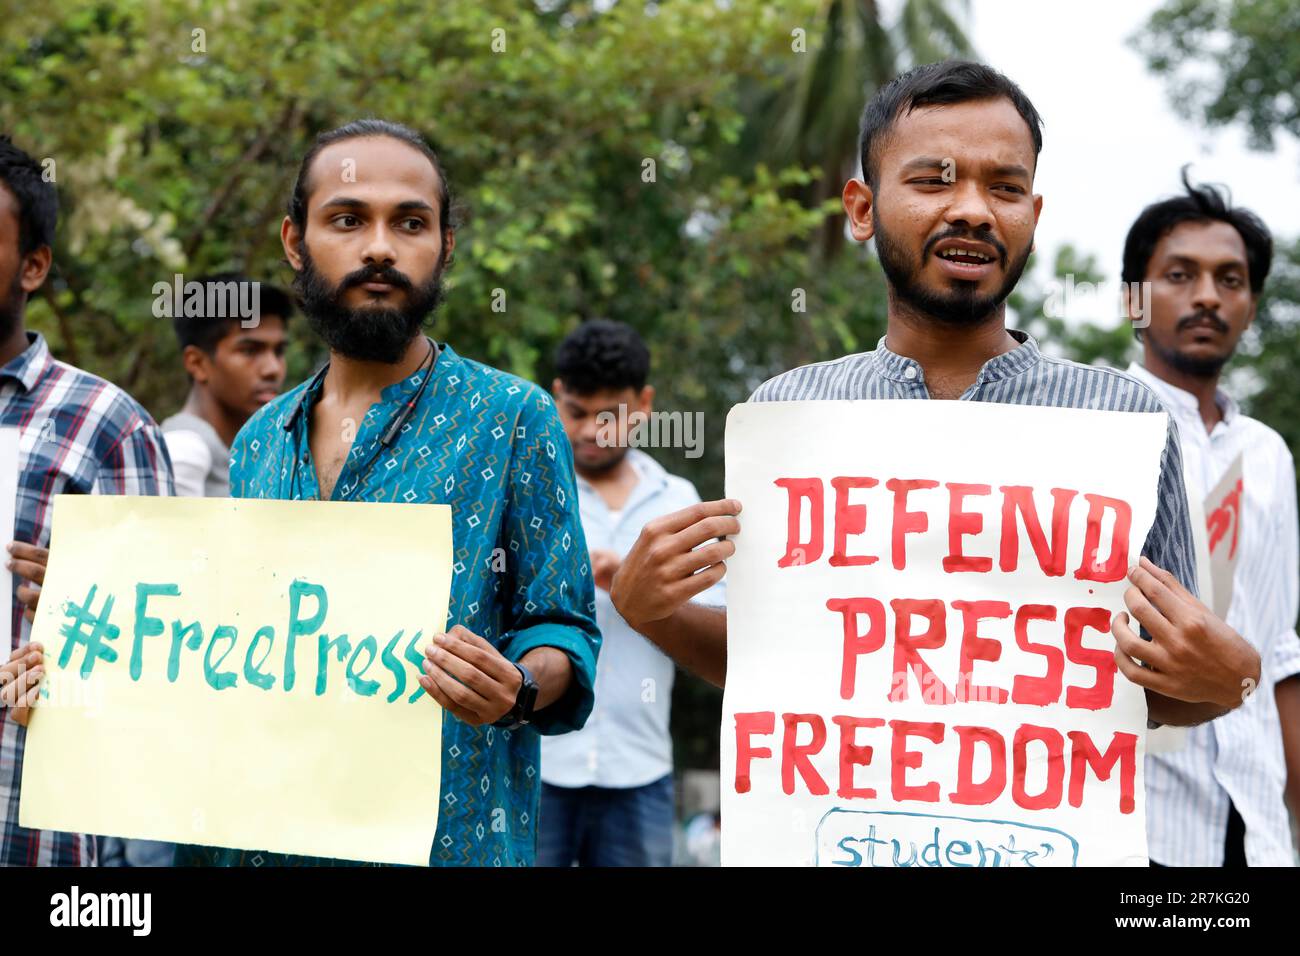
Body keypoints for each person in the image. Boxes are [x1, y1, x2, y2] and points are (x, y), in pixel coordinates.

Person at [608, 60, 1261, 734]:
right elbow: (777, 661)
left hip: (1045, 836)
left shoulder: (1124, 422)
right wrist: (646, 608)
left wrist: (1232, 680)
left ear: (1032, 216)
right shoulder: (788, 412)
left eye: (1005, 188)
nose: (973, 211)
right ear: (862, 210)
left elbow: (1171, 681)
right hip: (842, 834)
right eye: (932, 180)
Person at [175, 119, 600, 867]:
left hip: (449, 843)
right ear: (294, 242)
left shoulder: (514, 419)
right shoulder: (256, 445)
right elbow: (224, 646)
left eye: (410, 222)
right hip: (266, 842)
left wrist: (520, 687)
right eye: (346, 219)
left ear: (445, 246)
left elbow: (561, 623)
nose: (379, 246)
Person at [0, 134, 174, 866]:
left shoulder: (108, 425)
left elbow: (166, 658)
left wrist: (81, 625)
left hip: (35, 838)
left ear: (32, 266)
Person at [1122, 170, 1300, 865]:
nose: (1206, 296)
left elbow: (1280, 650)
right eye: (1179, 274)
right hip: (1138, 824)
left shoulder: (1269, 455)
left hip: (1254, 830)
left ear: (1251, 306)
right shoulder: (1093, 428)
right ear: (1133, 299)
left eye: (1230, 280)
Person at [539, 319, 724, 867]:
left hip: (640, 769)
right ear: (555, 399)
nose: (593, 431)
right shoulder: (529, 489)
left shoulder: (680, 502)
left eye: (609, 416)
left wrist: (641, 583)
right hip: (541, 761)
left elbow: (719, 626)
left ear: (643, 404)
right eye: (576, 412)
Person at [162, 272, 291, 497]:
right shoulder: (182, 452)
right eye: (250, 350)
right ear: (197, 363)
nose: (273, 369)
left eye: (278, 351)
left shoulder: (258, 456)